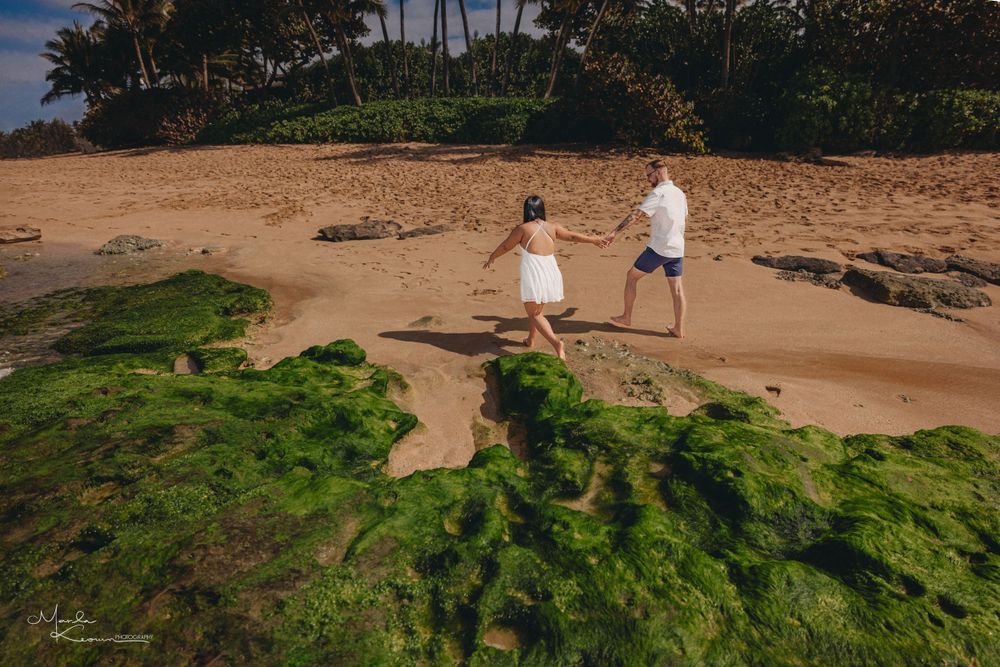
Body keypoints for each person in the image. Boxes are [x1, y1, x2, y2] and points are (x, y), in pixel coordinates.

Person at [484, 195, 606, 360]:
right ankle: (531, 339)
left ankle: (556, 343)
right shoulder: (553, 227)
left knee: (534, 313)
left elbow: (506, 245)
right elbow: (571, 236)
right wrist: (594, 240)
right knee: (537, 310)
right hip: (550, 270)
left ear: (526, 210)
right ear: (542, 209)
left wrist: (493, 256)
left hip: (534, 272)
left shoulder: (523, 229)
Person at [604, 159, 688, 338]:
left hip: (659, 248)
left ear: (658, 172)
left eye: (649, 175)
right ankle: (679, 329)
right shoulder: (679, 193)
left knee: (631, 277)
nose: (648, 180)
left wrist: (613, 233)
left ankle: (627, 317)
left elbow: (636, 215)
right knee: (677, 290)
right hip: (677, 248)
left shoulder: (658, 193)